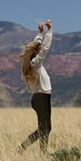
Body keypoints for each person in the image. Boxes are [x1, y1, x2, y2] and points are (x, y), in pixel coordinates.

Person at [17, 19, 53, 154]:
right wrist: (49, 31)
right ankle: (23, 148)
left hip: (38, 98)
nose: (39, 49)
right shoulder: (35, 63)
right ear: (35, 52)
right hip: (42, 98)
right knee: (46, 128)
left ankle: (41, 152)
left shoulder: (29, 64)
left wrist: (40, 33)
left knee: (44, 128)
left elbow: (37, 46)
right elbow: (45, 49)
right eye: (37, 49)